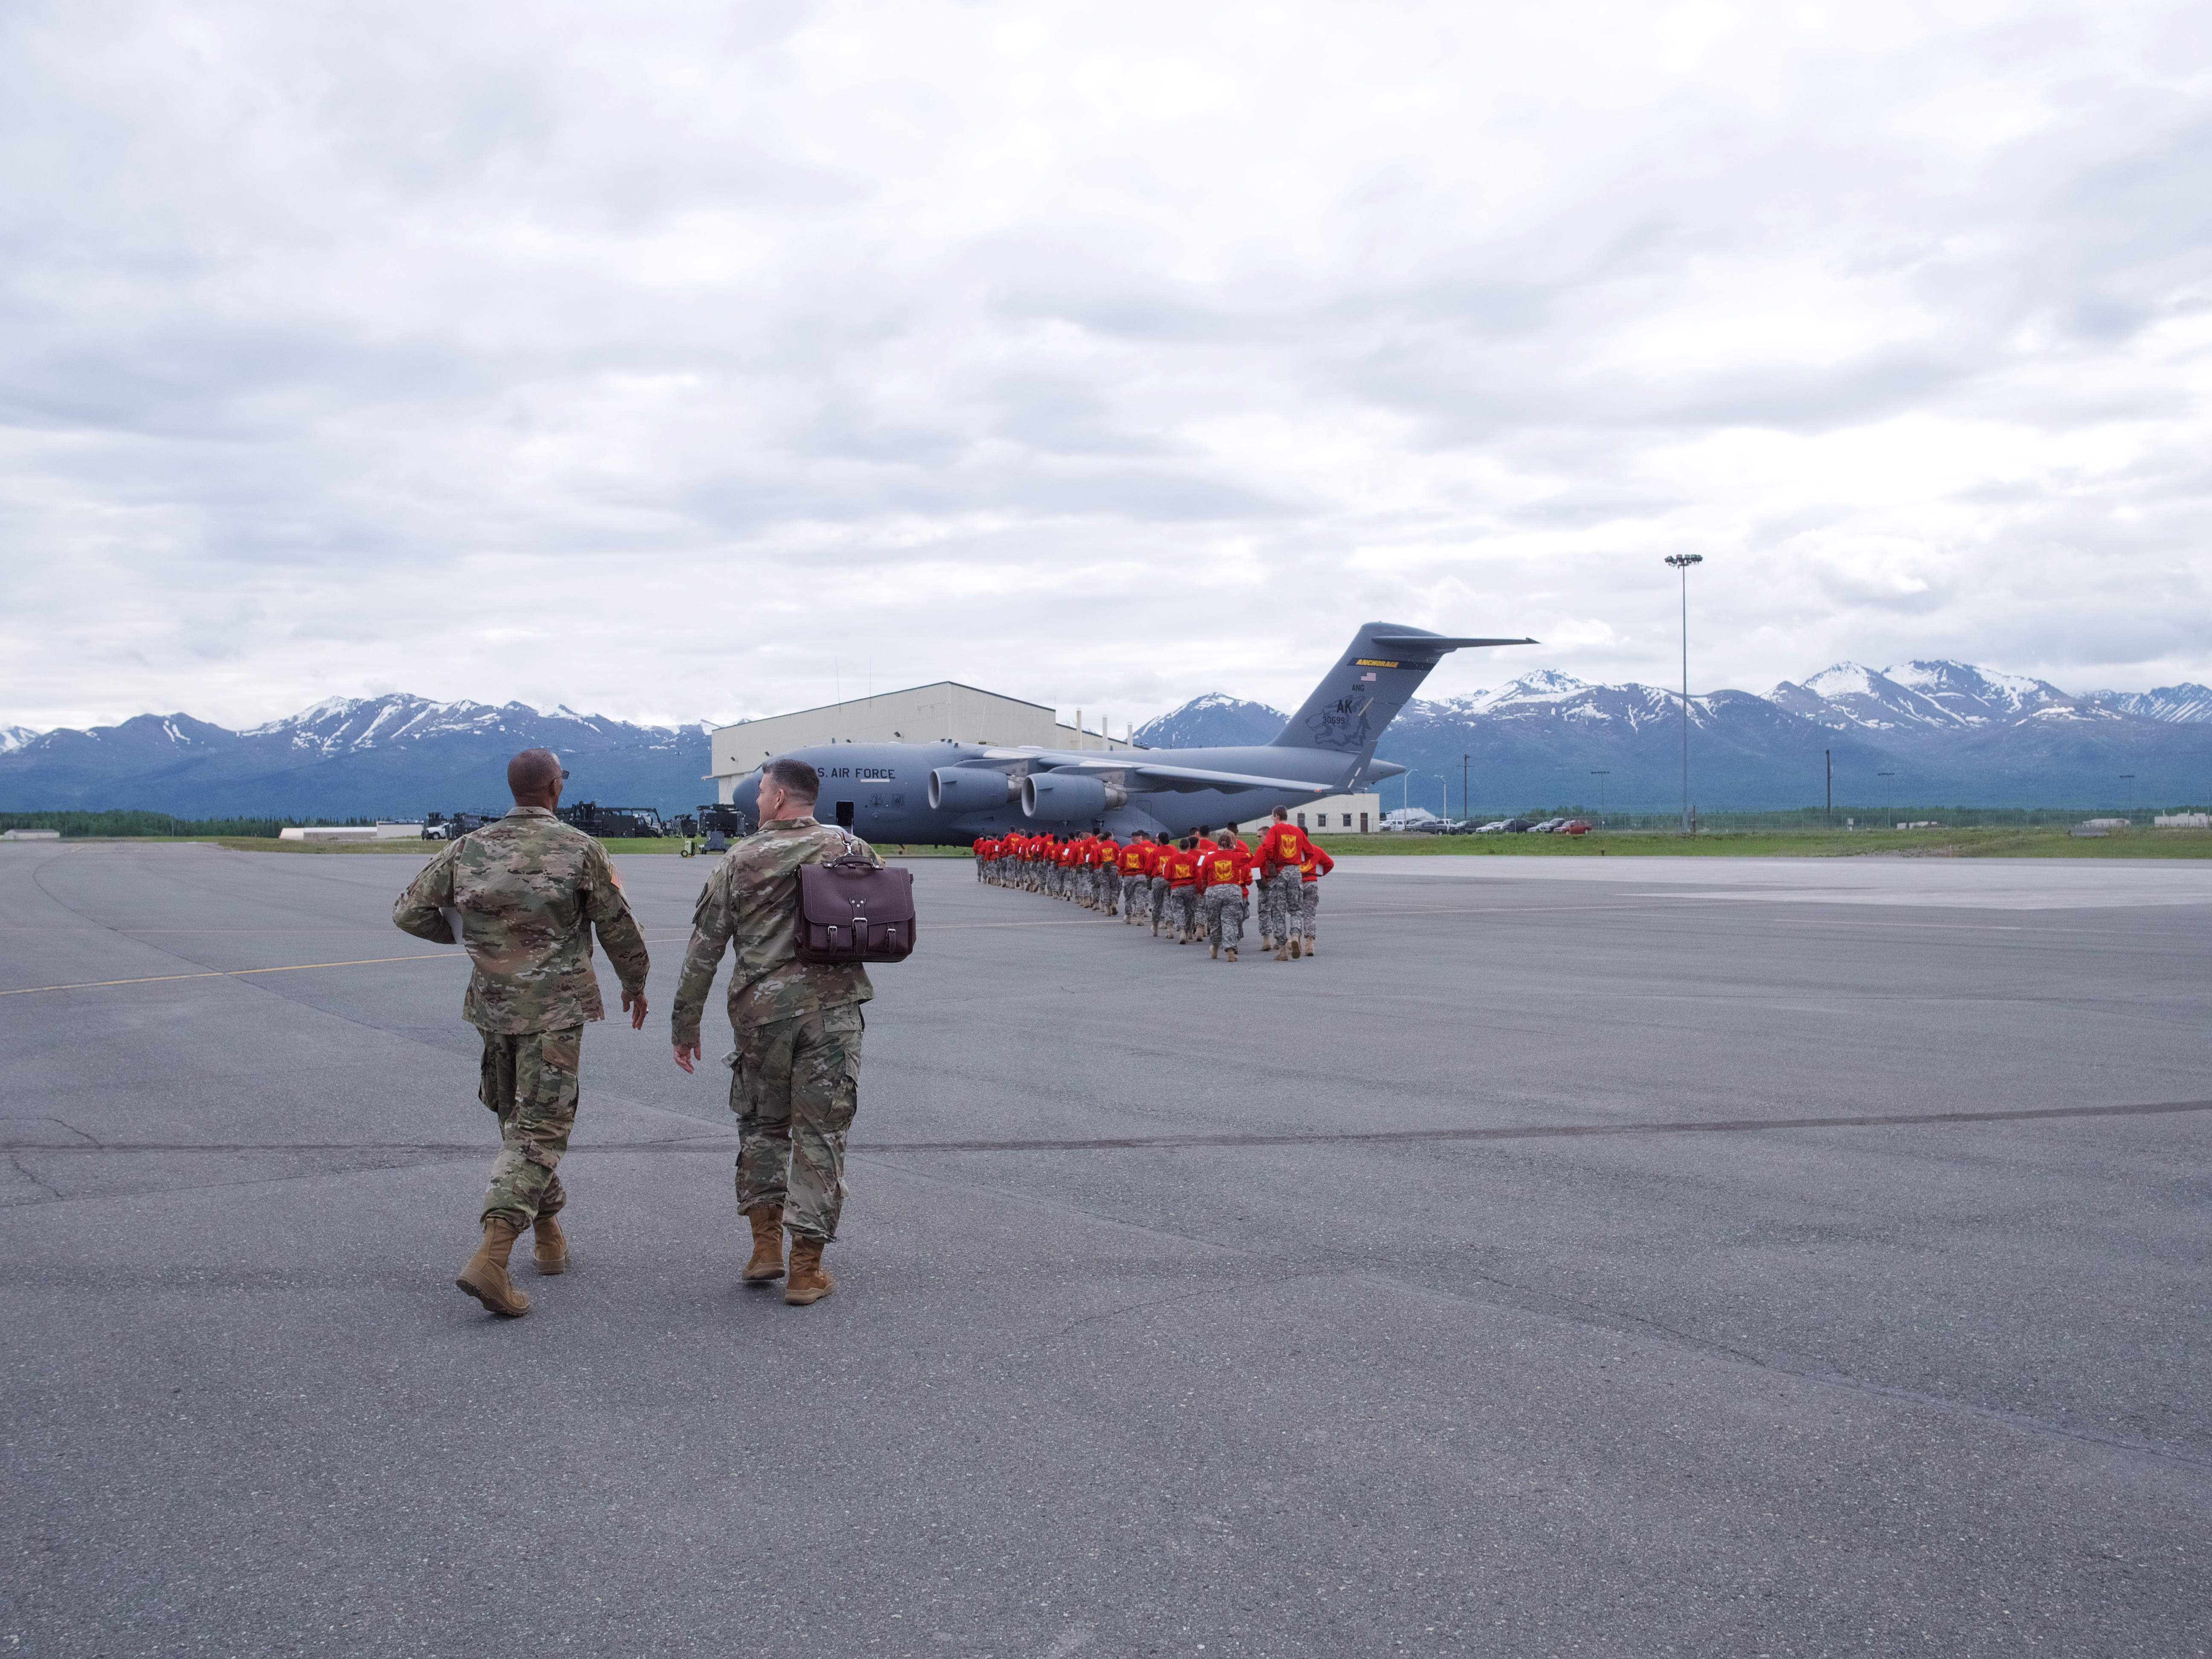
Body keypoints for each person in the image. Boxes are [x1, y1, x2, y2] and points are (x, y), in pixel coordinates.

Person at [393, 748, 651, 1319]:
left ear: (515, 790)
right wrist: (636, 984)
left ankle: (549, 1235)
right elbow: (617, 926)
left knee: (518, 1122)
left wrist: (483, 945)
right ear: (555, 789)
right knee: (539, 1129)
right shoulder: (580, 849)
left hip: (493, 1007)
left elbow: (408, 911)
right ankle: (492, 1257)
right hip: (555, 1013)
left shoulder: (469, 847)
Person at [671, 757, 883, 1307]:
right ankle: (805, 1270)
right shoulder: (850, 848)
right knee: (821, 1136)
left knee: (764, 1128)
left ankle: (764, 1246)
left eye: (763, 791)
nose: (759, 800)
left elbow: (706, 947)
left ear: (782, 798)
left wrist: (685, 1022)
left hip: (761, 1014)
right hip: (832, 1012)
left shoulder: (740, 858)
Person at [1256, 807, 1316, 960]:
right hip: (1295, 872)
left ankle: (1282, 949)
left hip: (1280, 871)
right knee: (1296, 909)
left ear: (1276, 817)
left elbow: (1268, 848)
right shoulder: (1298, 831)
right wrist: (1297, 860)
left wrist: (1272, 861)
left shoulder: (1275, 830)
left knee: (1278, 911)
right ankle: (1295, 935)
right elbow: (1310, 852)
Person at [1198, 837, 1250, 961]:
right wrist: (1235, 848)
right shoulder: (1236, 856)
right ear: (1231, 844)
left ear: (1218, 844)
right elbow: (1250, 856)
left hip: (1214, 891)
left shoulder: (1209, 857)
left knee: (1216, 922)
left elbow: (1203, 876)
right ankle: (1231, 950)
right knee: (1230, 921)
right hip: (1232, 891)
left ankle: (1215, 949)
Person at [1296, 837, 1336, 957]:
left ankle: (1295, 939)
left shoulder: (1294, 850)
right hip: (1311, 883)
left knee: (1296, 913)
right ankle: (1310, 943)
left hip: (1297, 883)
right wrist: (1320, 873)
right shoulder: (1316, 850)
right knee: (1310, 914)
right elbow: (1330, 863)